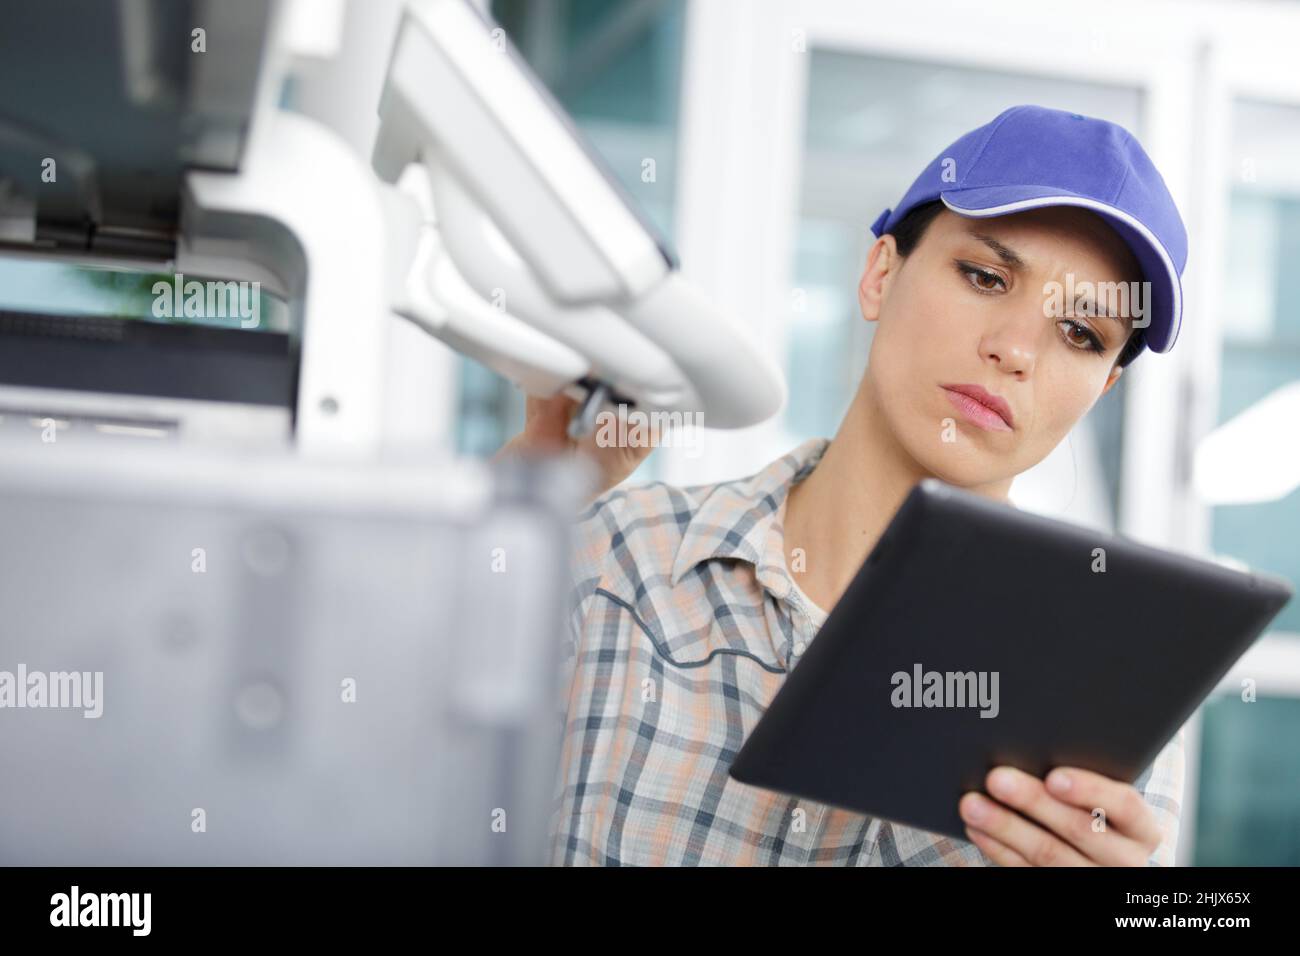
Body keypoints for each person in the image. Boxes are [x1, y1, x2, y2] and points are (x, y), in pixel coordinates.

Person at [501, 105, 1188, 866]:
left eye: (1080, 334)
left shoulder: (1100, 722)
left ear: (1101, 388)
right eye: (987, 277)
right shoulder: (615, 563)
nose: (1016, 349)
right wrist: (524, 496)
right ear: (880, 274)